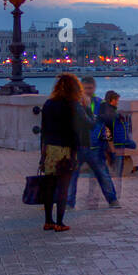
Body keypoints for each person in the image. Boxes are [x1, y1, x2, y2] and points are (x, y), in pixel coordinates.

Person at [39, 73, 84, 232]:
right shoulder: (73, 105)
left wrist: (42, 155)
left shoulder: (48, 104)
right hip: (66, 150)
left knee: (49, 187)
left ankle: (48, 221)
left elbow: (43, 131)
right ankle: (60, 223)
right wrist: (74, 154)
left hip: (50, 149)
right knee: (63, 188)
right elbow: (76, 132)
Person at [66, 76, 119, 210]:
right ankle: (68, 203)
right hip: (77, 146)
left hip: (95, 147)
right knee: (72, 176)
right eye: (85, 88)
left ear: (94, 88)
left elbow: (108, 126)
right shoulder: (74, 104)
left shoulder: (100, 104)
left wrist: (110, 147)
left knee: (103, 174)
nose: (87, 90)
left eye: (90, 88)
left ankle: (112, 200)